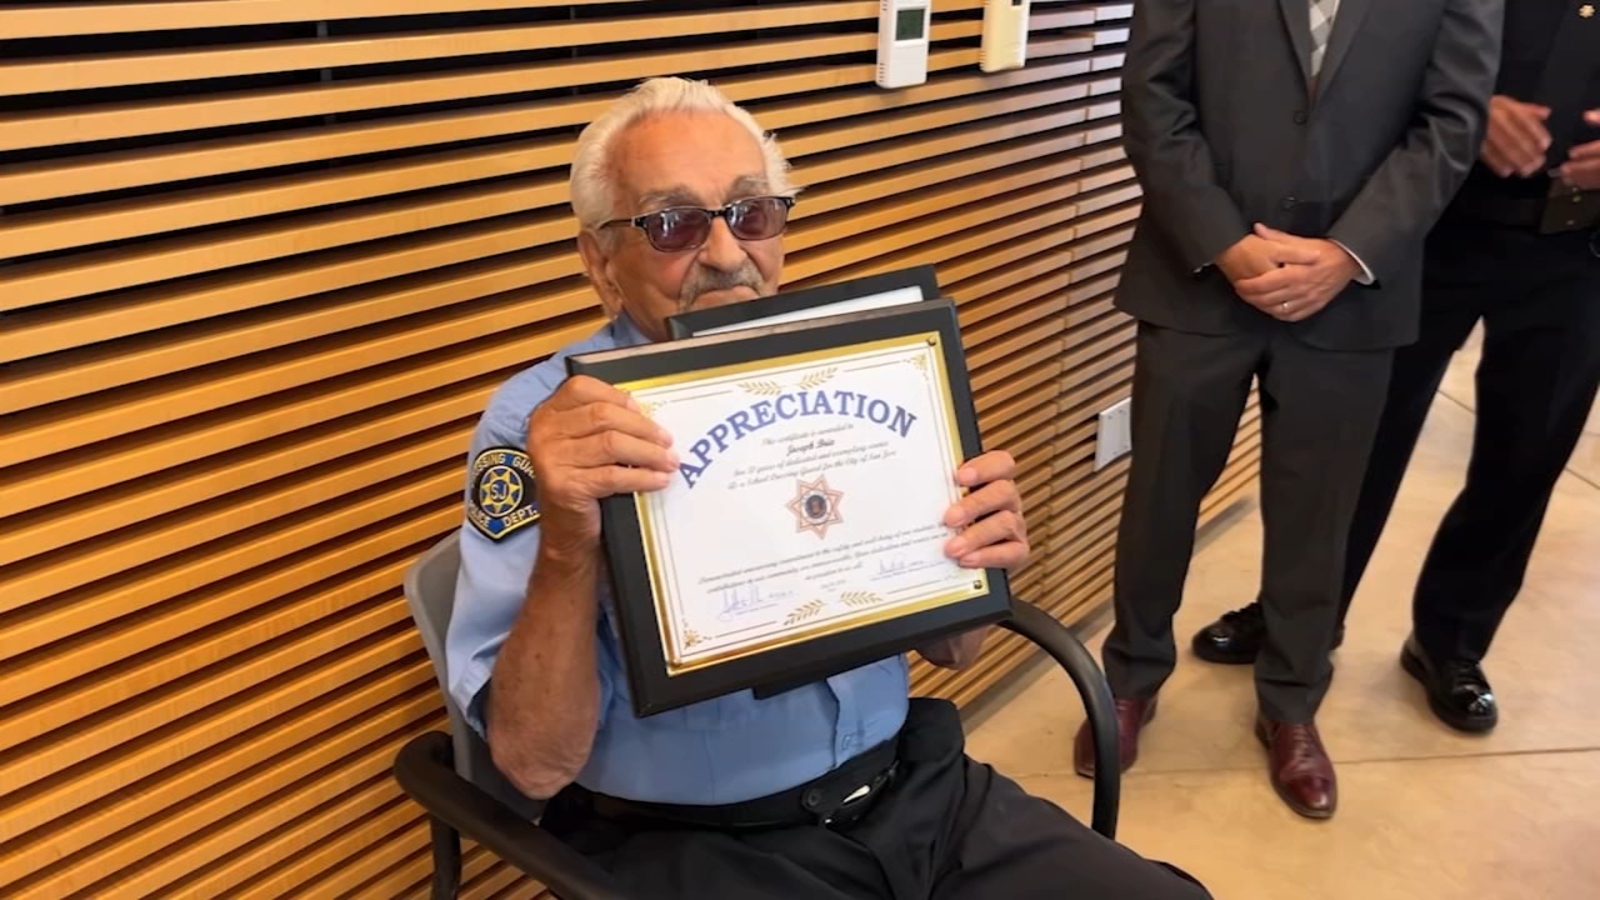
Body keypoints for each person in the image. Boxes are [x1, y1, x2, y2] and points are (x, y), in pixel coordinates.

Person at [444, 77, 1211, 900]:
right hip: (699, 846)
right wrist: (568, 543)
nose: (729, 256)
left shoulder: (862, 370)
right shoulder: (546, 428)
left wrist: (976, 557)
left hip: (917, 793)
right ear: (601, 259)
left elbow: (955, 650)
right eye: (672, 225)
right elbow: (529, 761)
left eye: (752, 214)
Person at [1077, 0, 1505, 820]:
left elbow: (1451, 124)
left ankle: (1292, 703)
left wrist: (1347, 255)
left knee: (1320, 514)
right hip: (1197, 274)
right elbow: (1153, 96)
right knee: (1161, 495)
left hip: (1352, 294)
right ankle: (1128, 681)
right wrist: (1226, 243)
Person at [1192, 2, 1600, 736]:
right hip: (1425, 225)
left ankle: (1451, 641)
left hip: (1579, 246)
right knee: (1358, 439)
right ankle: (1301, 619)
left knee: (1526, 457)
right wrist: (1472, 107)